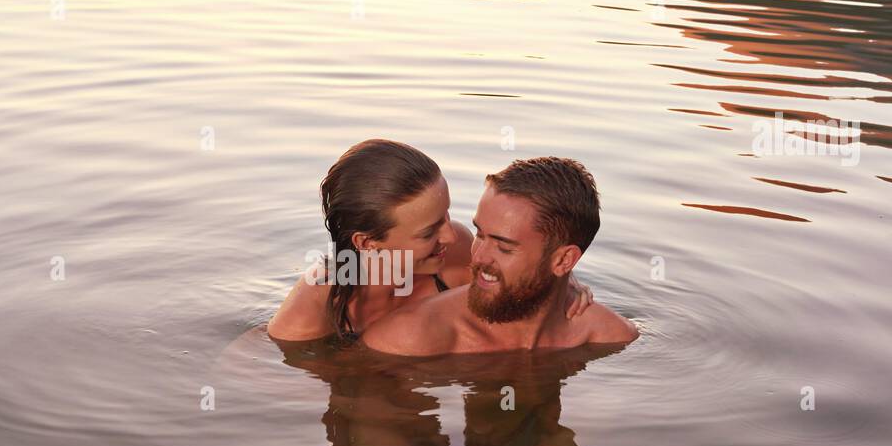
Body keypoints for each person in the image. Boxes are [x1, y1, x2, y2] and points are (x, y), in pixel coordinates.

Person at [267, 139, 594, 341]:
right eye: (428, 232)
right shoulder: (316, 305)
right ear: (367, 243)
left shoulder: (457, 248)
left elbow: (525, 267)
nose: (451, 235)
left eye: (446, 217)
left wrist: (565, 281)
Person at [362, 156, 639, 356]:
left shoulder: (611, 338)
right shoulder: (408, 340)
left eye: (504, 247)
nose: (479, 257)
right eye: (479, 234)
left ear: (564, 261)